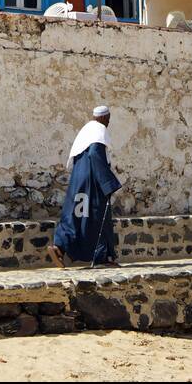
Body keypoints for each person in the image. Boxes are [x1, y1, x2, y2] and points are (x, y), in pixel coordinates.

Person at [48, 105, 122, 268]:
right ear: (103, 118)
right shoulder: (99, 130)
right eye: (108, 118)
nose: (108, 122)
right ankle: (101, 257)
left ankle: (59, 247)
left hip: (79, 178)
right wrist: (107, 183)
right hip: (93, 178)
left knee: (75, 215)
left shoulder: (86, 130)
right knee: (99, 215)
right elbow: (95, 154)